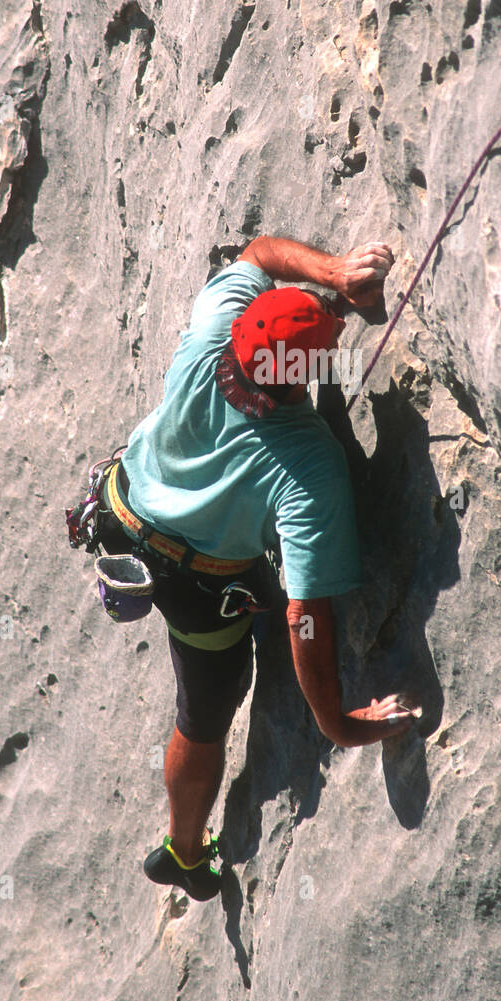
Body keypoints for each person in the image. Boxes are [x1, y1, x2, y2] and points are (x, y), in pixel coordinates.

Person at [96, 234, 418, 901]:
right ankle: (185, 854)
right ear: (298, 376)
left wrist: (333, 272)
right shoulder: (307, 465)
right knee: (203, 716)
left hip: (120, 511)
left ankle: (185, 849)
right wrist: (337, 722)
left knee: (198, 703)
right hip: (198, 589)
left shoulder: (219, 326)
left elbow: (259, 253)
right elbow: (304, 614)